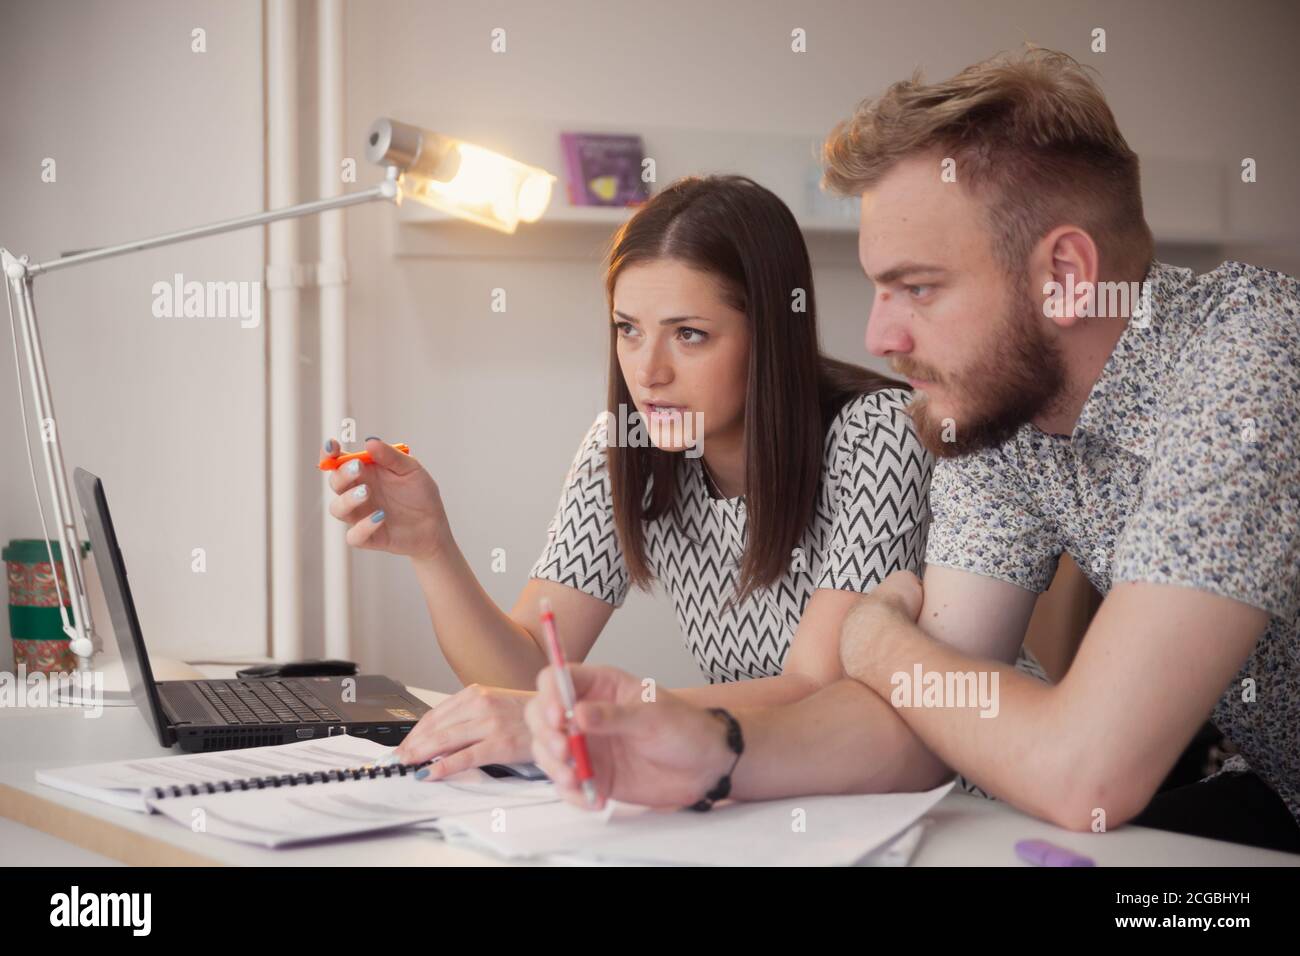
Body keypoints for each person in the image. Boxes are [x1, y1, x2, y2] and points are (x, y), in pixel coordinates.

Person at [525, 48, 1300, 853]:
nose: (878, 337)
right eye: (878, 289)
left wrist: (875, 639)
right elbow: (917, 721)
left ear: (1067, 276)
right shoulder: (993, 414)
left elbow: (1085, 774)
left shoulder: (1252, 361)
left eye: (918, 288)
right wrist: (709, 745)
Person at [326, 175, 1042, 789]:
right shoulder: (628, 445)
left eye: (689, 334)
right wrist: (431, 548)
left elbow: (816, 687)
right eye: (628, 329)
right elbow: (525, 672)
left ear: (770, 334)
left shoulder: (877, 431)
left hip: (961, 784)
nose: (649, 370)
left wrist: (603, 718)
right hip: (779, 788)